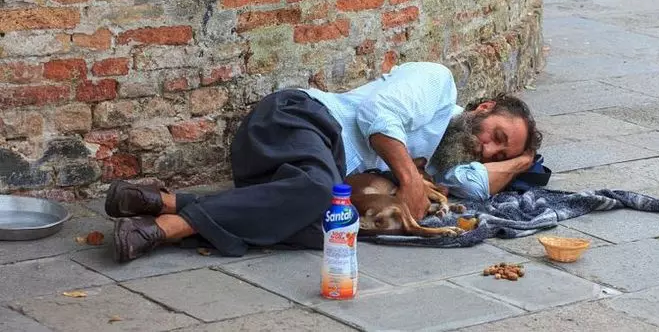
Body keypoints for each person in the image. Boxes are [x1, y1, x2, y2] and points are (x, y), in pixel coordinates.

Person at [107, 62, 542, 262]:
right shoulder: (437, 83)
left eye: (497, 154)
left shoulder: (445, 155)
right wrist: (408, 178)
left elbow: (472, 184)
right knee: (320, 191)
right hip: (296, 119)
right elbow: (379, 114)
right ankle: (164, 228)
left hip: (292, 176)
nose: (487, 150)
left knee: (333, 231)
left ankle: (158, 201)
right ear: (483, 107)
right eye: (496, 137)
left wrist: (523, 161)